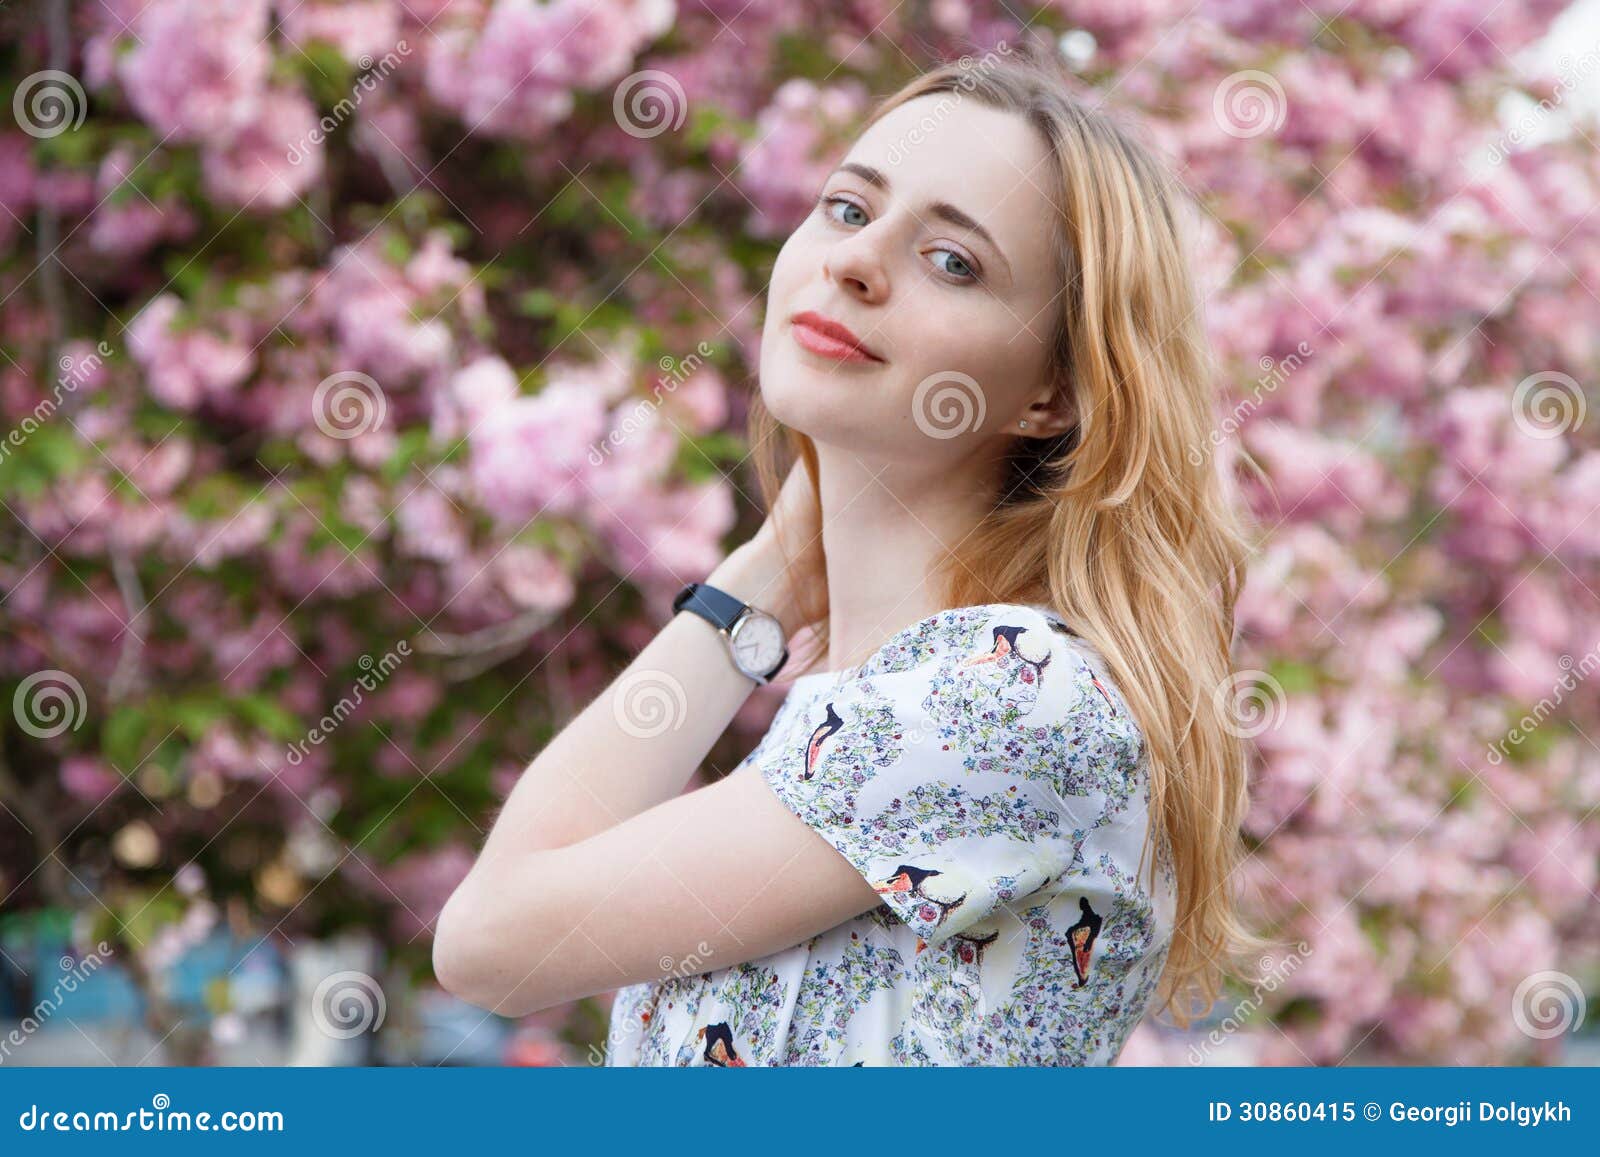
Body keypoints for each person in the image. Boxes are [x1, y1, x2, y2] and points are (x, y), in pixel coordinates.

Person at [433, 40, 1263, 1066]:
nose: (856, 262)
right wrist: (768, 571)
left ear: (1054, 391)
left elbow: (491, 941)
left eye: (952, 261)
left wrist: (758, 579)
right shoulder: (876, 705)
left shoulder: (1003, 697)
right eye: (848, 208)